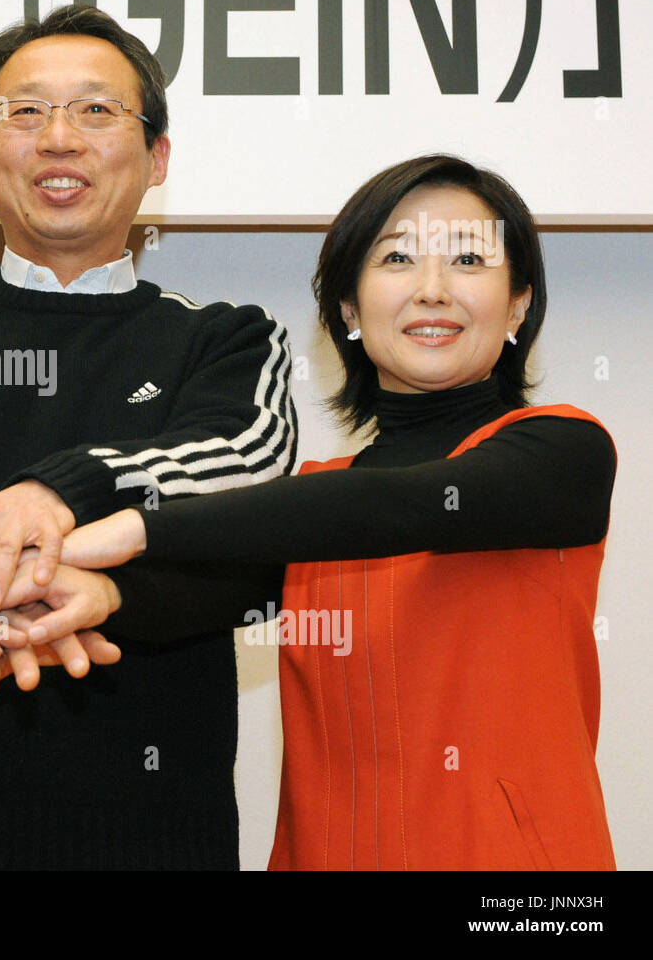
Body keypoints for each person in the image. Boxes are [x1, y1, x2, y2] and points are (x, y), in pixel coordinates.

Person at [0, 5, 297, 870]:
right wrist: (45, 568)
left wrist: (50, 495)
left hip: (152, 836)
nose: (59, 138)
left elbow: (239, 483)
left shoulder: (229, 338)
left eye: (97, 111)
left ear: (157, 160)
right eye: (25, 112)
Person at [52, 154, 617, 869]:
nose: (432, 289)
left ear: (517, 305)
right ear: (349, 308)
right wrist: (55, 590)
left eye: (469, 260)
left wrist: (135, 527)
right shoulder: (313, 503)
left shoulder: (562, 451)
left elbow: (397, 509)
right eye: (398, 259)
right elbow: (177, 596)